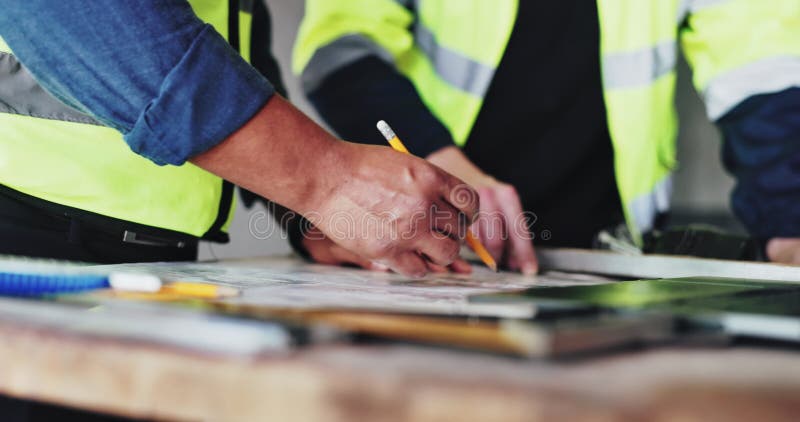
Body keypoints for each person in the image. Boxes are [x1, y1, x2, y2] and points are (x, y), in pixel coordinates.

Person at [293, 0, 800, 268]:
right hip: (442, 243)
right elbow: (341, 50)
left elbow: (764, 66)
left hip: (610, 259)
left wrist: (789, 221)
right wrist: (436, 170)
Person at [0, 0, 480, 279]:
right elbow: (86, 18)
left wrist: (302, 211)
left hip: (154, 266)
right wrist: (325, 178)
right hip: (25, 251)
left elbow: (232, 52)